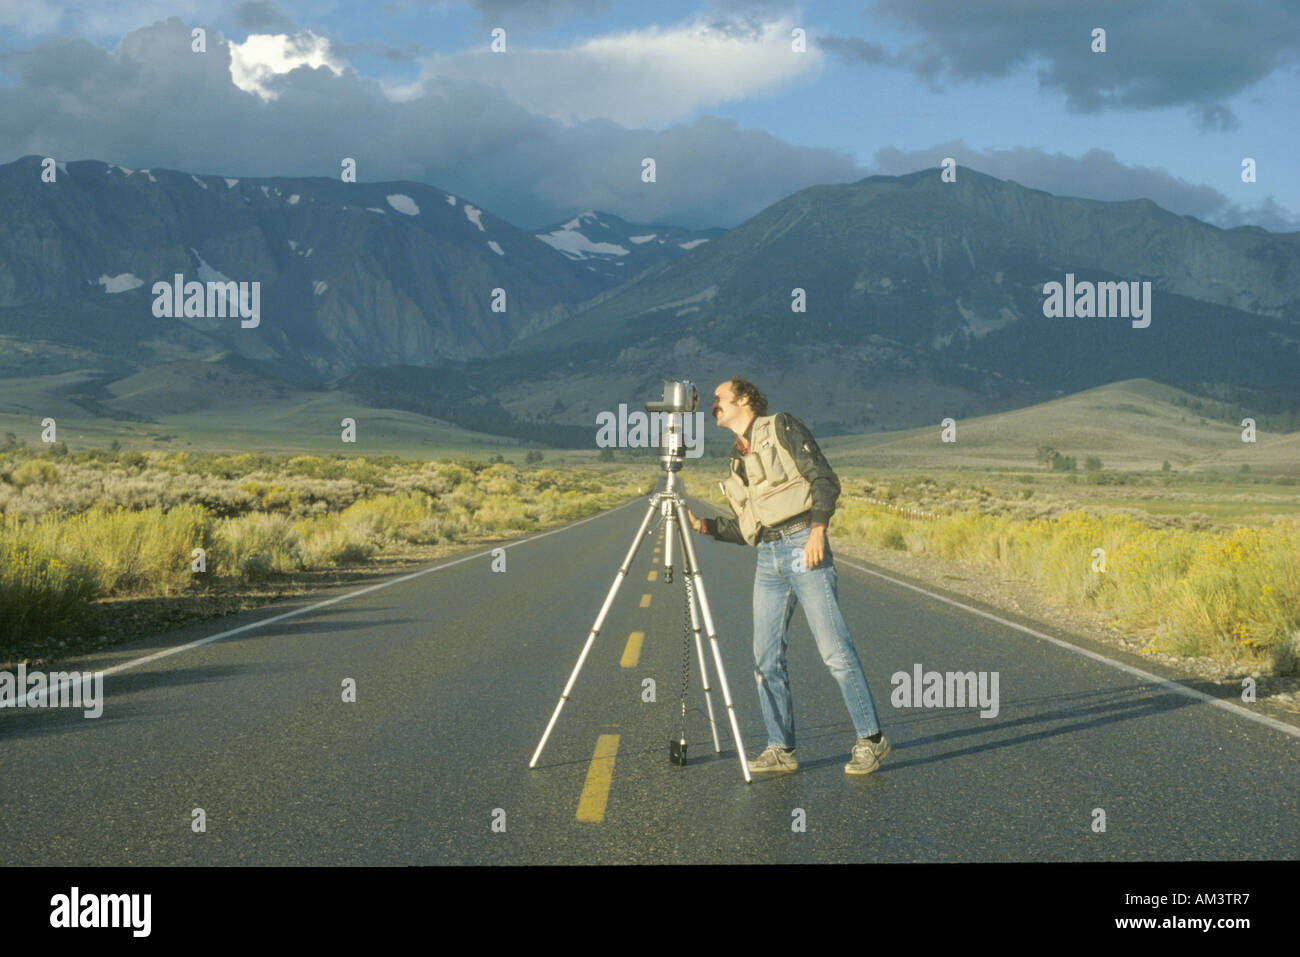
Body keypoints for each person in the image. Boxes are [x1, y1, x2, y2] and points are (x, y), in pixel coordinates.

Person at [684, 377, 889, 775]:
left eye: (719, 398)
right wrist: (704, 526)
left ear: (744, 399)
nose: (713, 405)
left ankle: (872, 740)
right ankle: (781, 749)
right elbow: (749, 528)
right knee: (765, 658)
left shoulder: (782, 426)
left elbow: (824, 479)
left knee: (834, 651)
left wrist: (817, 530)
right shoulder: (736, 457)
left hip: (802, 544)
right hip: (768, 554)